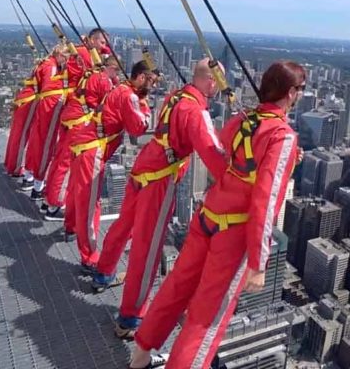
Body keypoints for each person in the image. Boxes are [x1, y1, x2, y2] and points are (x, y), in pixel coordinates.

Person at [128, 60, 305, 369]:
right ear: (291, 93)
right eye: (300, 90)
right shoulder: (283, 136)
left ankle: (140, 357)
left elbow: (225, 155)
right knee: (207, 316)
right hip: (233, 234)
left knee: (177, 285)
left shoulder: (244, 120)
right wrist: (258, 263)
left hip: (207, 216)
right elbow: (266, 200)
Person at [92, 58, 228, 341]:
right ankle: (130, 318)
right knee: (147, 248)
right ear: (211, 81)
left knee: (123, 226)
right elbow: (214, 158)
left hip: (143, 168)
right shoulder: (196, 110)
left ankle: (102, 273)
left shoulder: (176, 95)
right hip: (160, 180)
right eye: (219, 82)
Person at [66, 61, 157, 273]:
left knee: (78, 196)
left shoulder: (119, 87)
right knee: (90, 206)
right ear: (141, 78)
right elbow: (138, 128)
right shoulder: (130, 96)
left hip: (83, 144)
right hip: (92, 151)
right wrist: (145, 104)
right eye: (150, 82)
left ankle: (70, 228)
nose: (151, 87)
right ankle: (89, 258)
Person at [24, 28, 111, 200]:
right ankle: (39, 187)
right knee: (49, 145)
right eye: (102, 43)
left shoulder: (81, 51)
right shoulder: (85, 54)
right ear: (92, 40)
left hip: (59, 101)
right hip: (58, 100)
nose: (103, 49)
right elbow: (99, 77)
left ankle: (35, 181)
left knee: (46, 143)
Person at [40, 56, 120, 222]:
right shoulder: (104, 80)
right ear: (111, 67)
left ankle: (49, 198)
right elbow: (112, 102)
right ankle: (55, 205)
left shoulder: (90, 73)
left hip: (70, 117)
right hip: (79, 122)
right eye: (117, 70)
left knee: (60, 160)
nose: (117, 74)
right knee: (68, 164)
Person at [20, 43, 72, 196]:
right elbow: (51, 86)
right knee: (46, 144)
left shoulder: (45, 63)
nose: (67, 62)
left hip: (43, 105)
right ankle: (38, 183)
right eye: (66, 58)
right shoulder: (52, 66)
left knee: (36, 142)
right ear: (61, 55)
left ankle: (29, 176)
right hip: (50, 106)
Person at [3, 72, 39, 177]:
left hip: (25, 99)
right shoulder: (51, 66)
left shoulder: (44, 64)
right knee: (22, 136)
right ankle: (16, 167)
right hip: (30, 101)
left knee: (17, 134)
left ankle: (11, 164)